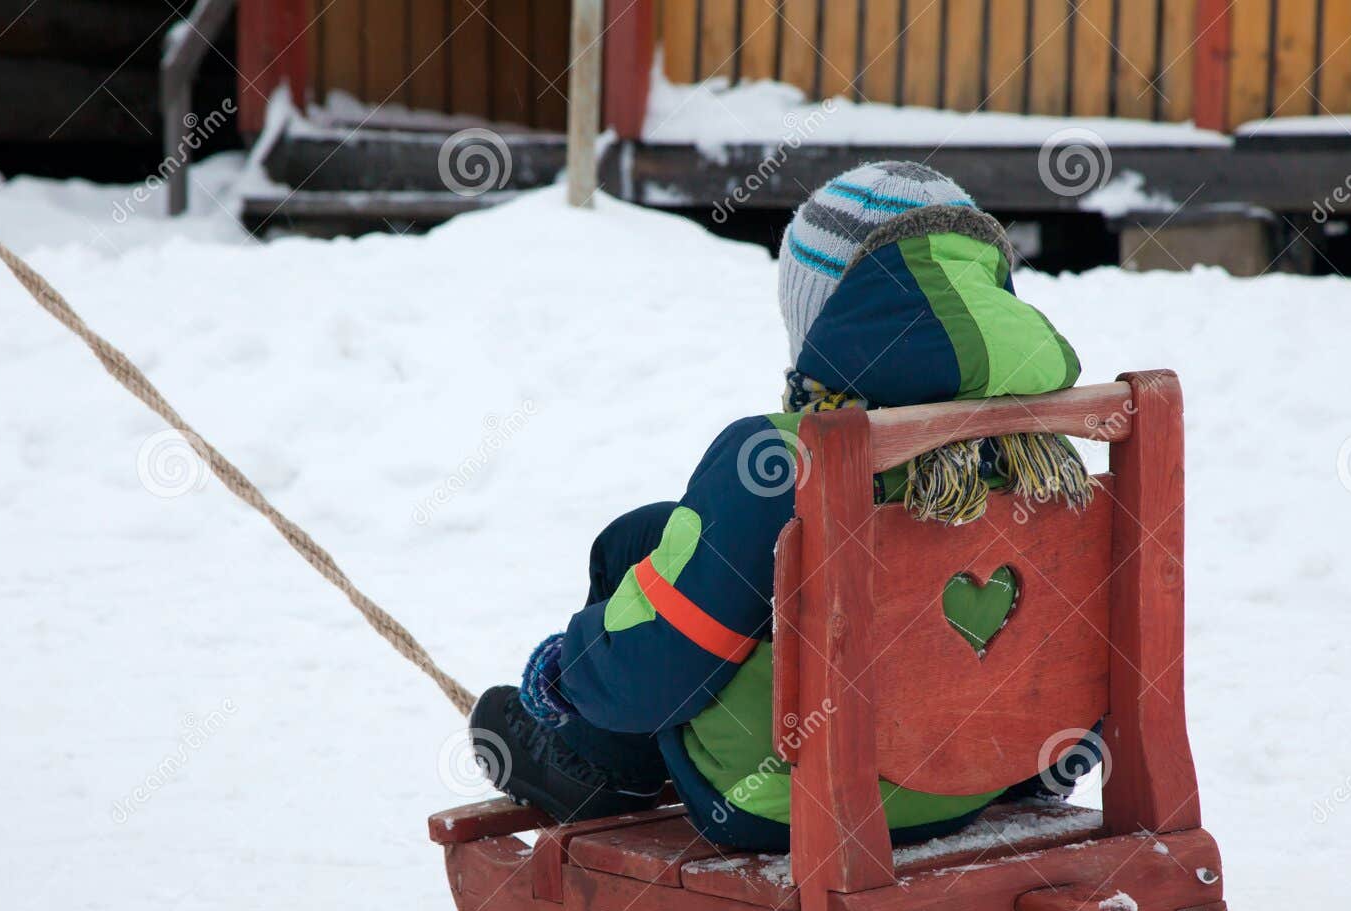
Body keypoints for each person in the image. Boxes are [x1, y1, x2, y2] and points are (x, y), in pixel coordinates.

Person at [469, 161, 1096, 851]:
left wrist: (568, 671)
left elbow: (662, 670)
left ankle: (596, 763)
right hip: (981, 777)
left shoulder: (781, 461)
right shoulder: (1040, 448)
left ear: (821, 316)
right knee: (658, 534)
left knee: (639, 556)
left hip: (790, 800)